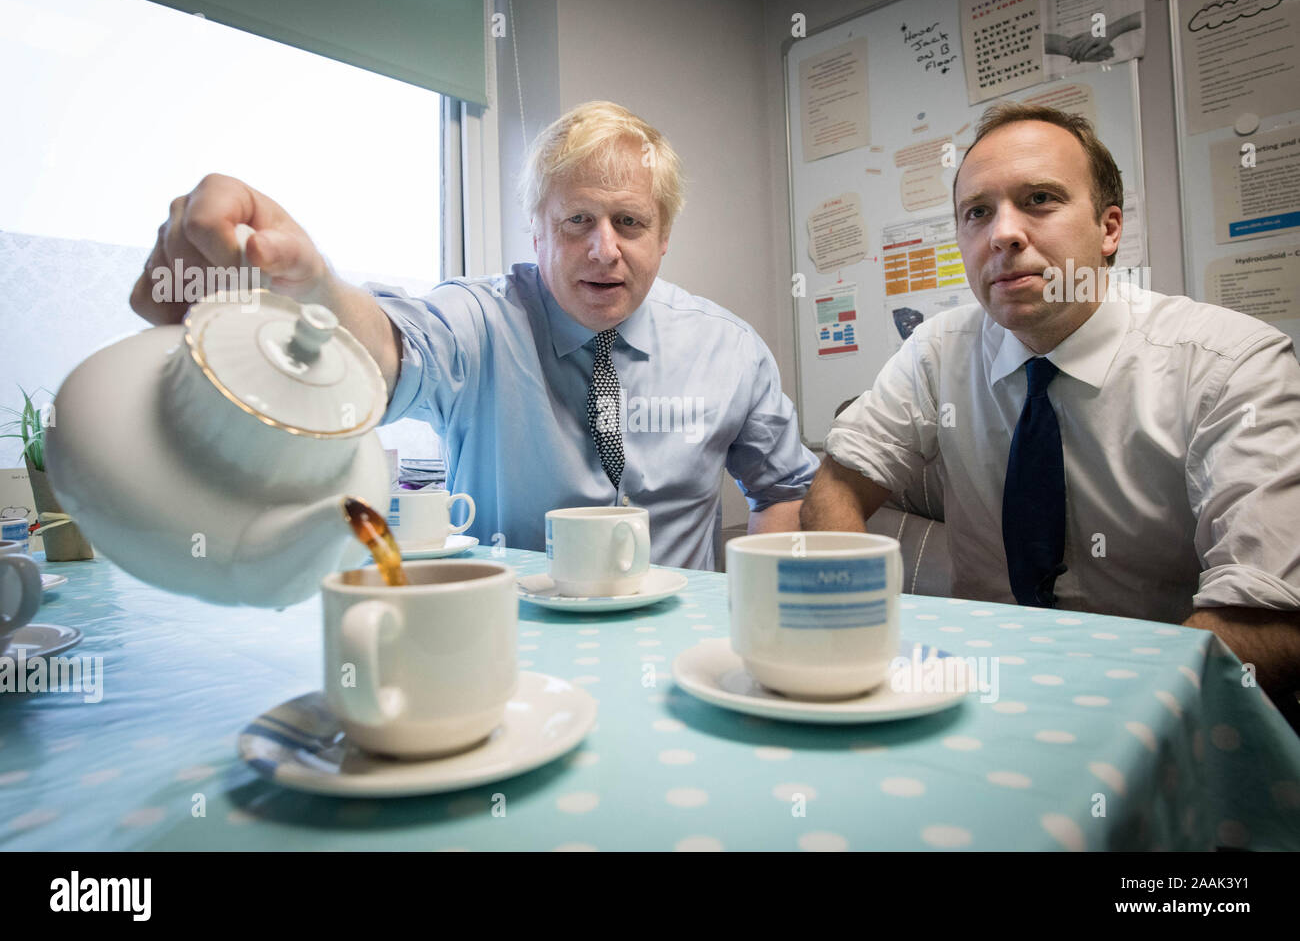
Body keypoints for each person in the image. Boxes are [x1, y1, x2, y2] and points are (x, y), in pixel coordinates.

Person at [130, 101, 819, 570]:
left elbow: (783, 487)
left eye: (630, 223)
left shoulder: (729, 350)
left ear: (663, 237)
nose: (604, 250)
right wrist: (311, 291)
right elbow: (390, 353)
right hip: (509, 652)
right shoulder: (480, 321)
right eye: (578, 220)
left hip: (677, 654)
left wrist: (750, 612)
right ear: (538, 231)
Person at [801, 102, 1300, 713]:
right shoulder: (937, 351)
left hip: (1160, 704)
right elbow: (837, 487)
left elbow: (1266, 611)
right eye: (977, 212)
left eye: (1039, 199)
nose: (1002, 234)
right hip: (972, 691)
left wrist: (1121, 727)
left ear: (1109, 228)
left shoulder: (1231, 365)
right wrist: (858, 635)